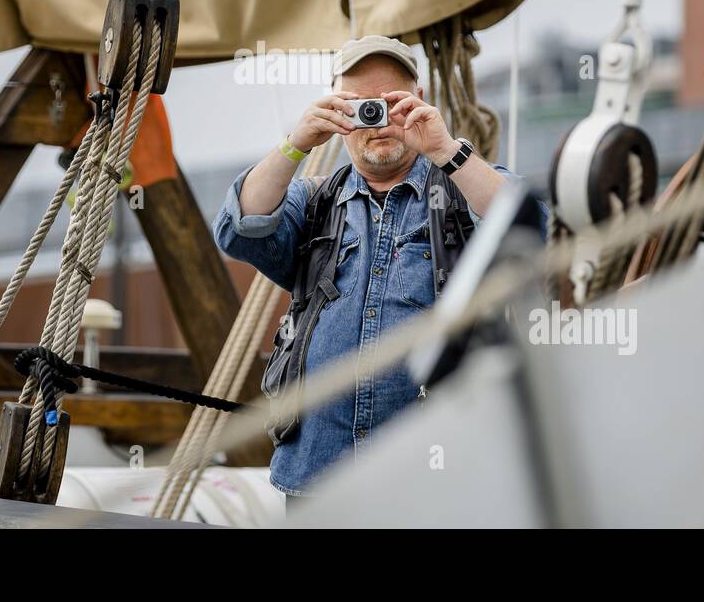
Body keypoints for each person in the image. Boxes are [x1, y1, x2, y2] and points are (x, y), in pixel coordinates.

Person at [213, 34, 539, 507]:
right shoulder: (314, 202)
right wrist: (296, 142)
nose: (377, 118)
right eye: (359, 105)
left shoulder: (460, 188)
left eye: (389, 102)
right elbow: (238, 229)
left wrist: (445, 149)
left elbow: (528, 227)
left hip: (437, 488)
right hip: (319, 483)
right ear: (338, 114)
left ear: (419, 100)